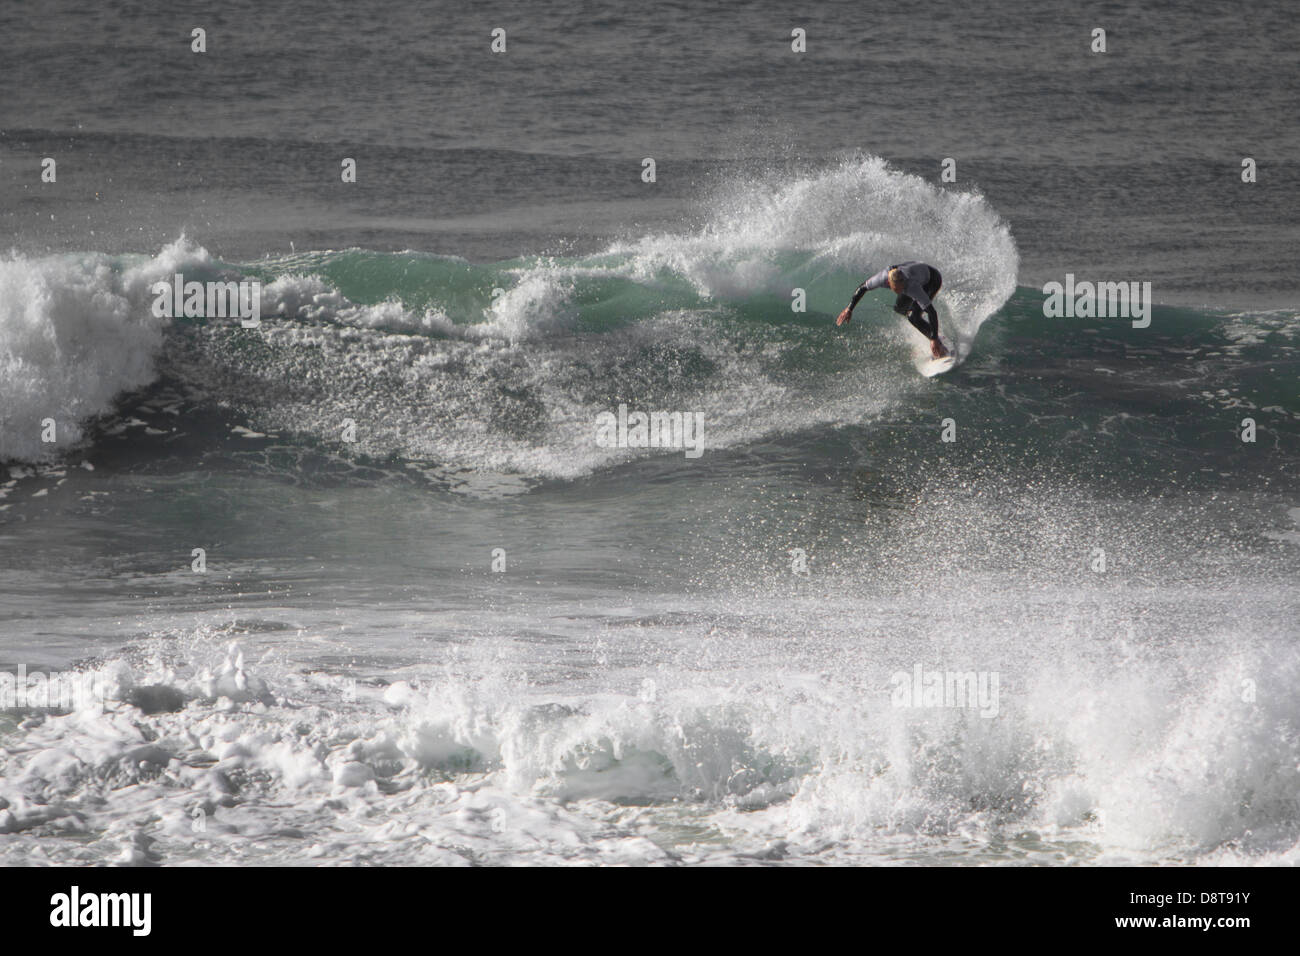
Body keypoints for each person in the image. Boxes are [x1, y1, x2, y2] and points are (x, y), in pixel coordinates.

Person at [836, 261, 950, 359]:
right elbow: (862, 288)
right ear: (889, 283)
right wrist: (849, 309)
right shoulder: (882, 278)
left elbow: (932, 312)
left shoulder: (911, 286)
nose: (899, 291)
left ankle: (939, 346)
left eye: (901, 288)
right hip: (918, 271)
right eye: (896, 289)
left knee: (913, 316)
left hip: (931, 280)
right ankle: (931, 331)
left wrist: (933, 338)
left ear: (903, 282)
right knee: (900, 309)